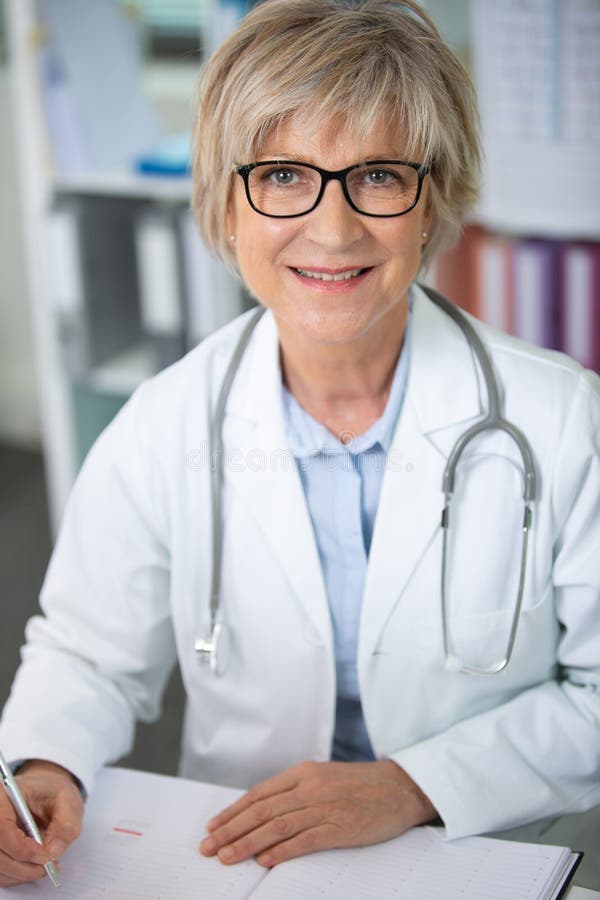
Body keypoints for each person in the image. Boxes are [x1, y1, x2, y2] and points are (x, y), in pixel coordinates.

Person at [1, 0, 599, 888]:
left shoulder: (564, 420)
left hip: (475, 853)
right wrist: (44, 765)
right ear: (225, 203)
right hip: (236, 852)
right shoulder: (166, 422)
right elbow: (86, 652)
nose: (332, 227)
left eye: (380, 176)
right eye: (283, 175)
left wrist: (411, 785)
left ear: (432, 201)